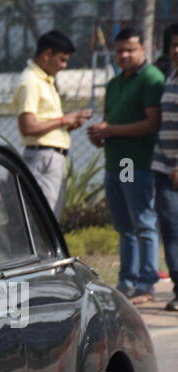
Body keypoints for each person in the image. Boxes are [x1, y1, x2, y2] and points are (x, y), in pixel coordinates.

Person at [90, 27, 166, 304]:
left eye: (130, 49)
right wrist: (100, 135)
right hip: (116, 161)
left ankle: (146, 283)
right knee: (123, 225)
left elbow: (152, 123)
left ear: (143, 50)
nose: (123, 55)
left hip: (138, 161)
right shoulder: (115, 83)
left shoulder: (151, 79)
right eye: (119, 50)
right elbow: (111, 122)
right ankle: (127, 280)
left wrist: (111, 130)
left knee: (143, 222)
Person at [14, 30, 91, 216]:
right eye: (62, 60)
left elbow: (43, 124)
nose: (64, 66)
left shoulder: (45, 80)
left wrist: (67, 125)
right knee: (42, 219)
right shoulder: (31, 81)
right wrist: (63, 120)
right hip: (43, 158)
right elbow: (28, 127)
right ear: (47, 54)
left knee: (49, 219)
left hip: (51, 157)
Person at [153, 25, 178, 310]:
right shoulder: (170, 77)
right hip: (163, 166)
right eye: (173, 44)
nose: (176, 50)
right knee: (170, 230)